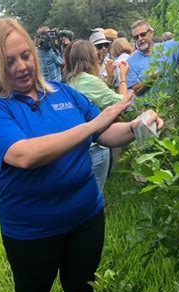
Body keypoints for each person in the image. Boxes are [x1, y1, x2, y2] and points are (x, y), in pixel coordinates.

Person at [0, 17, 163, 292]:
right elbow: (24, 155)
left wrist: (137, 126)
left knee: (81, 289)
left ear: (34, 54)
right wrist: (92, 127)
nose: (21, 66)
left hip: (85, 216)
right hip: (31, 230)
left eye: (25, 56)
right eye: (9, 61)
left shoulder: (64, 92)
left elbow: (106, 133)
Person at [66, 40, 129, 192]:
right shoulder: (89, 80)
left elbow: (98, 98)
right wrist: (122, 76)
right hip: (96, 147)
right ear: (90, 58)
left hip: (78, 146)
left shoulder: (71, 81)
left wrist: (109, 76)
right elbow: (123, 103)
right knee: (95, 194)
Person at [126, 20, 179, 97]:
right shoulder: (131, 62)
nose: (140, 39)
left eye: (143, 34)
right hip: (148, 107)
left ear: (151, 33)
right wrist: (151, 79)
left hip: (174, 103)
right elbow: (135, 91)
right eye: (136, 37)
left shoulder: (170, 46)